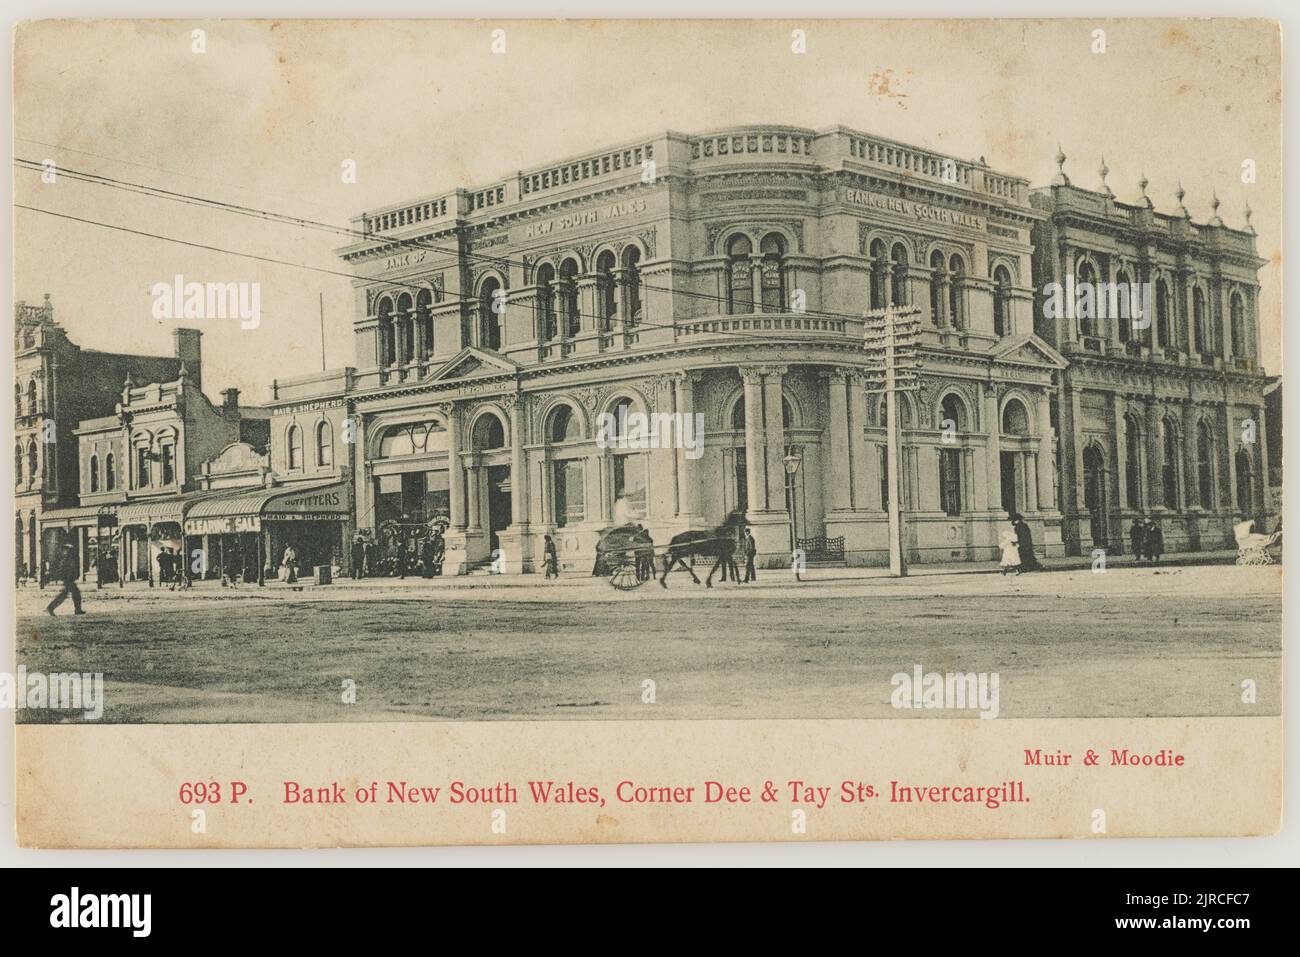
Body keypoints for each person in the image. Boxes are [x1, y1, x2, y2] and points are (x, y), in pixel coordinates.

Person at [46, 542, 84, 616]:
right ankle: (50, 608)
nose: (70, 551)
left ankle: (77, 609)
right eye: (69, 549)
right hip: (68, 579)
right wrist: (67, 577)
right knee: (67, 594)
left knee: (72, 593)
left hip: (69, 579)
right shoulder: (65, 559)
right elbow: (64, 570)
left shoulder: (67, 558)